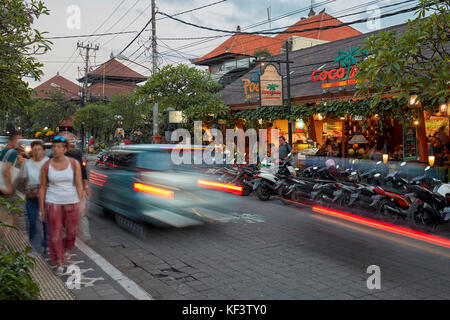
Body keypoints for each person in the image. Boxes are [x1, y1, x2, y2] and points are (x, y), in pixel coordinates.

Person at [38, 136, 83, 275]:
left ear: (65, 149)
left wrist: (79, 202)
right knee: (55, 234)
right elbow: (42, 187)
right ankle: (59, 261)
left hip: (71, 202)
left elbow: (79, 185)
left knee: (71, 232)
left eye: (59, 147)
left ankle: (67, 249)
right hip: (53, 202)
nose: (56, 149)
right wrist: (41, 208)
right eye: (54, 146)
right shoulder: (46, 165)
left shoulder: (74, 163)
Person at [22, 141, 49, 254]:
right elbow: (25, 179)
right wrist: (27, 192)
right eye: (35, 149)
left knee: (46, 223)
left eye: (39, 149)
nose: (37, 151)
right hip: (31, 197)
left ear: (43, 150)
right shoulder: (27, 163)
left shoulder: (48, 162)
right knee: (32, 222)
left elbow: (51, 180)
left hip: (46, 197)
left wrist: (42, 191)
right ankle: (32, 246)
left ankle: (46, 245)